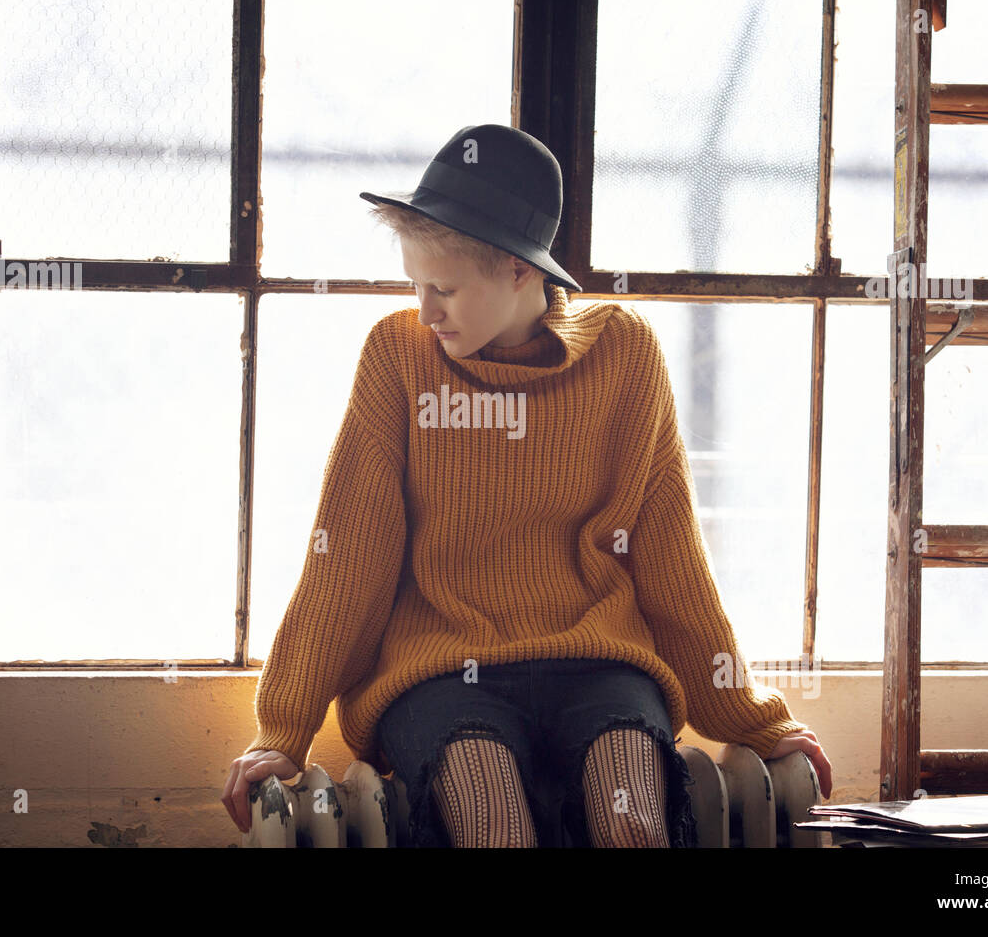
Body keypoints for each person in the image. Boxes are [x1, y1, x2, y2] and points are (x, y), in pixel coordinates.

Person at [221, 123, 832, 846]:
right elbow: (348, 554)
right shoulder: (398, 357)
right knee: (491, 826)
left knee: (632, 822)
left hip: (600, 663)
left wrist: (756, 721)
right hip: (441, 670)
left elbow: (671, 556)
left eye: (444, 289)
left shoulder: (626, 355)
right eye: (416, 287)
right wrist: (284, 730)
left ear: (520, 271)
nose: (425, 312)